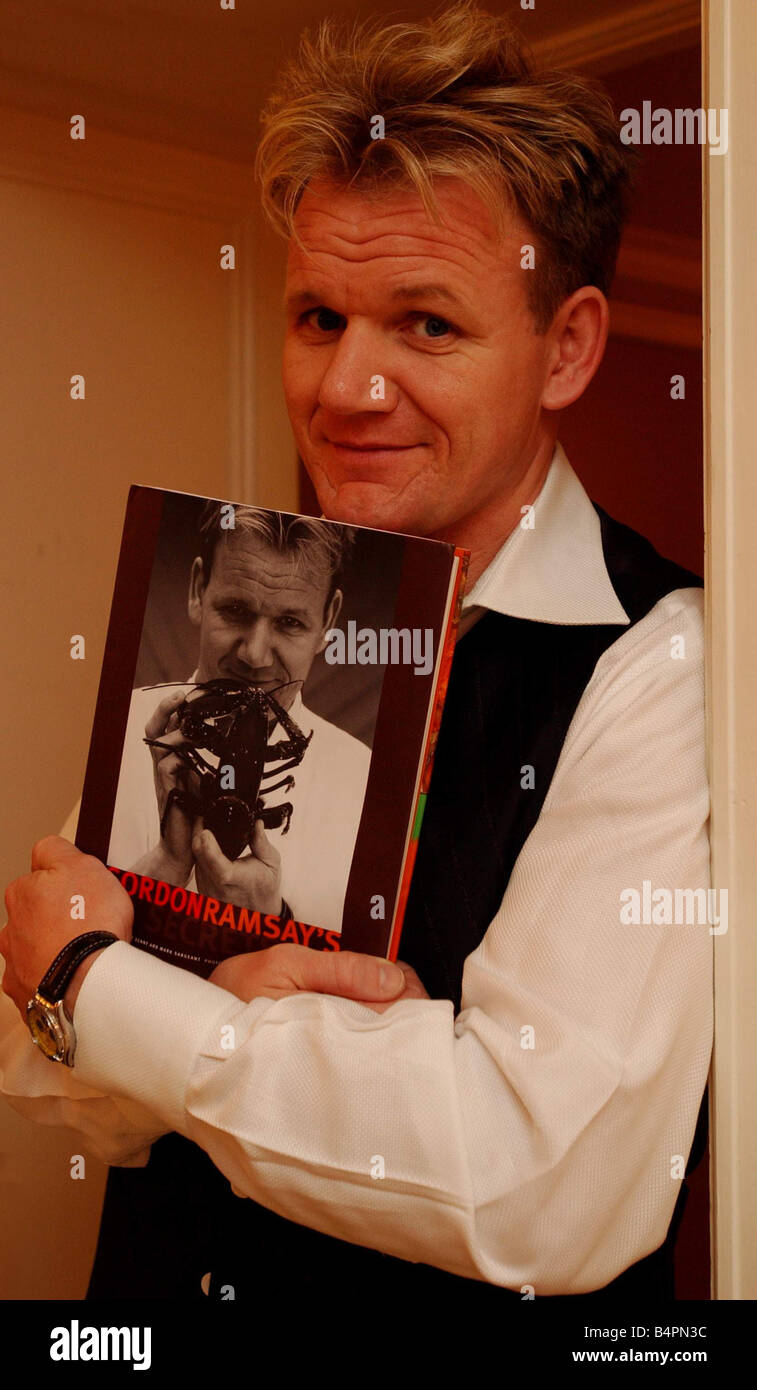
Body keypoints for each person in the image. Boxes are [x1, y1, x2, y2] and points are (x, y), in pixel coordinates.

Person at [0, 3, 711, 1304]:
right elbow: (38, 1050)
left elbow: (542, 1186)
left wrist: (135, 999)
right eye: (320, 317)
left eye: (426, 325)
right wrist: (117, 1003)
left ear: (567, 348)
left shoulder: (669, 665)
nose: (345, 389)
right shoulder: (218, 602)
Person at [108, 503, 371, 936]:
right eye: (235, 610)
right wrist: (165, 866)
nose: (254, 654)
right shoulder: (117, 731)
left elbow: (369, 994)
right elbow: (59, 941)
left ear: (328, 622)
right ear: (197, 590)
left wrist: (273, 923)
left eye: (289, 622)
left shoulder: (366, 782)